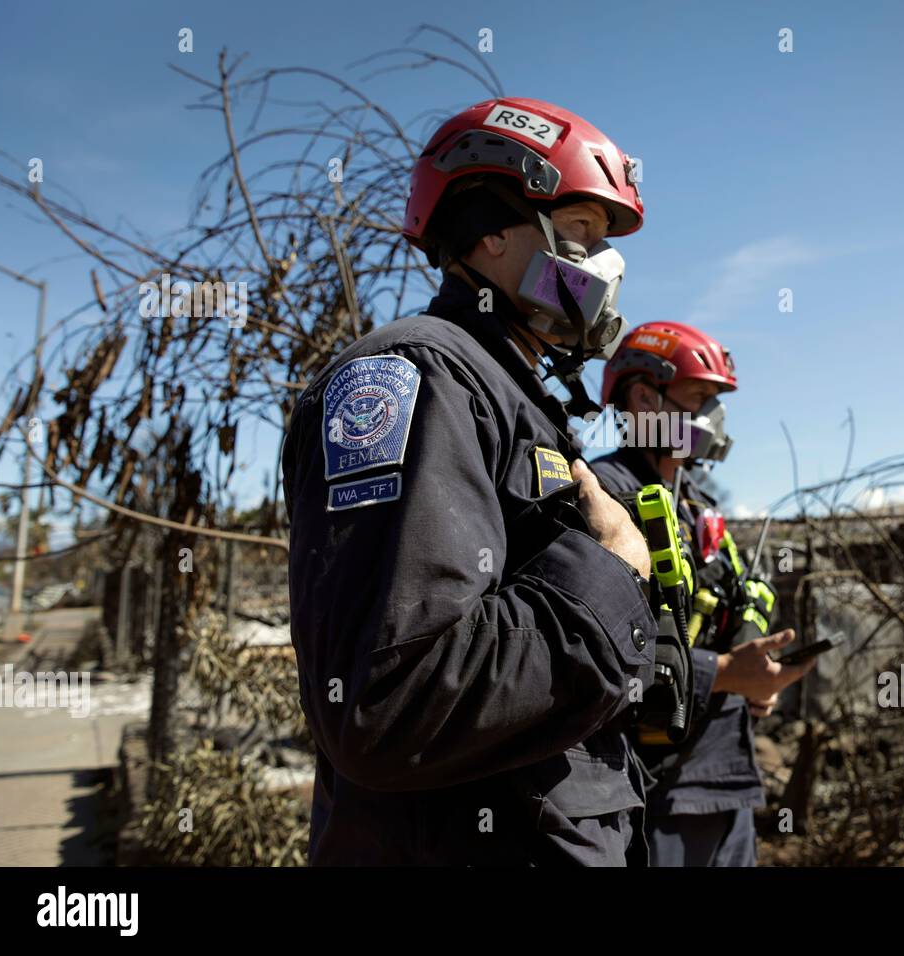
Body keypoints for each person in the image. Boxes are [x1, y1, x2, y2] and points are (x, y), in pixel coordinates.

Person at [282, 97, 661, 865]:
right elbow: (390, 701)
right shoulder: (420, 376)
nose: (606, 264)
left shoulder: (508, 390)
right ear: (492, 231)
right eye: (583, 232)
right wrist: (614, 574)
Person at [590, 321, 815, 866]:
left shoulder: (696, 503)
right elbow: (595, 651)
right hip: (648, 791)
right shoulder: (602, 499)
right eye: (699, 399)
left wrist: (755, 681)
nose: (713, 419)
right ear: (644, 398)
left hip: (723, 779)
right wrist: (723, 673)